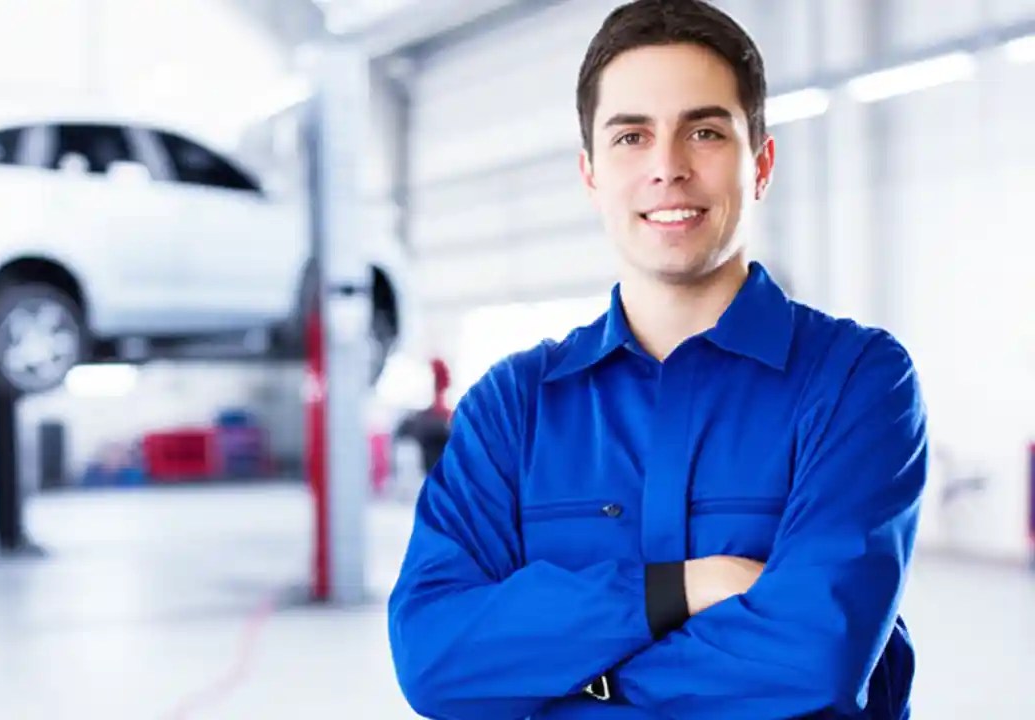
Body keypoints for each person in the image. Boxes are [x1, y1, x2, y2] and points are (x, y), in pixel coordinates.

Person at [386, 1, 928, 718]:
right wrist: (681, 590)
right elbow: (434, 656)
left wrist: (571, 673)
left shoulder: (858, 381)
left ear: (760, 163)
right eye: (631, 137)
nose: (667, 168)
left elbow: (812, 659)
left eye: (704, 131)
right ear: (590, 173)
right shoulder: (513, 408)